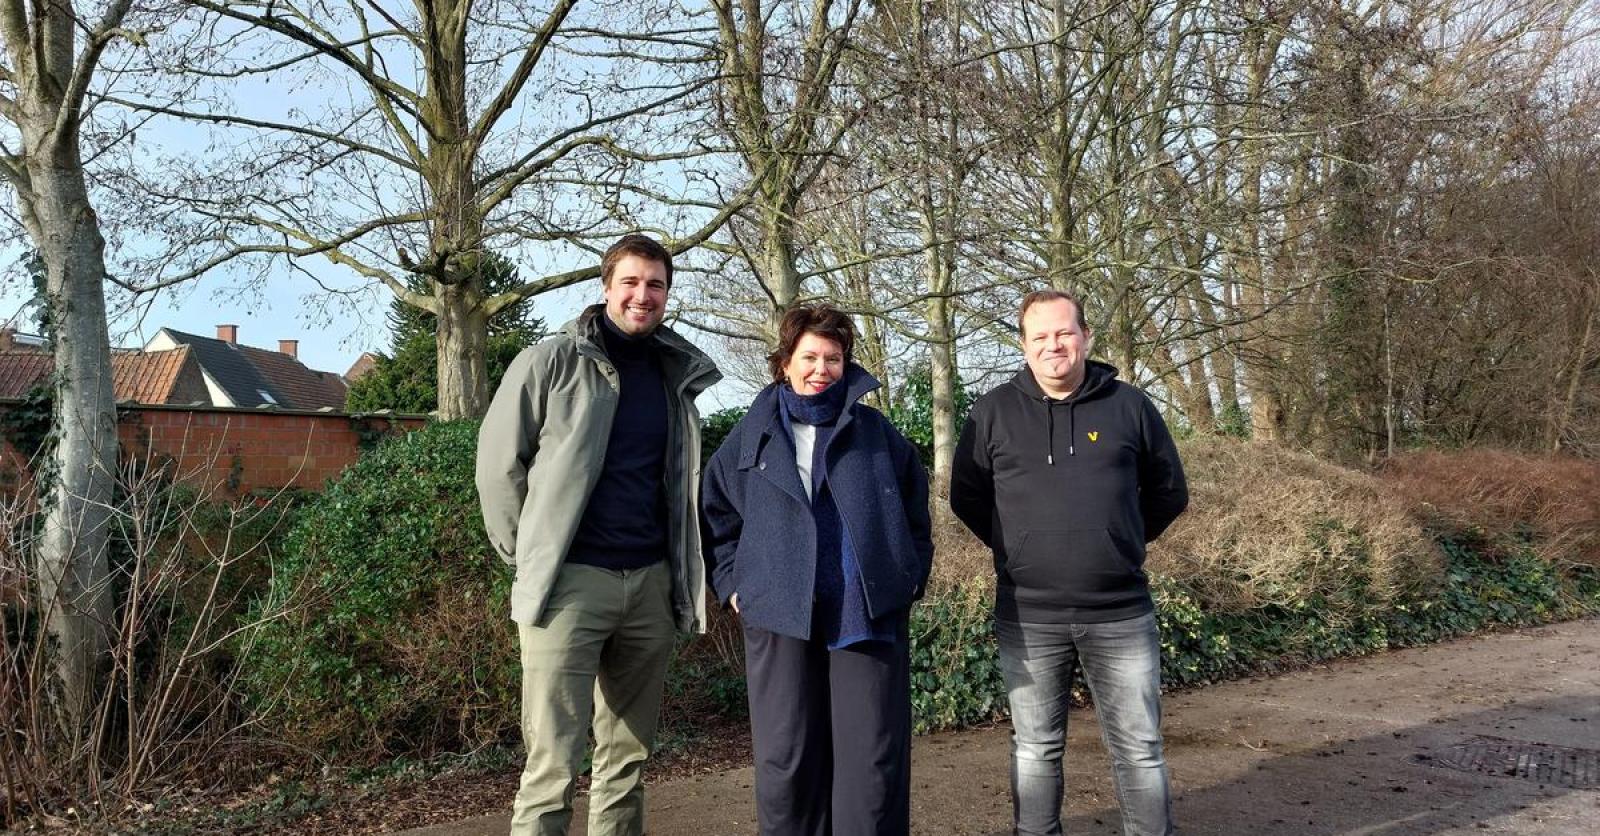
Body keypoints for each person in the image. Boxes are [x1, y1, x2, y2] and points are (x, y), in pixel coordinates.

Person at [475, 234, 721, 836]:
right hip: (570, 586)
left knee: (627, 763)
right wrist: (529, 558)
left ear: (667, 293)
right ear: (607, 287)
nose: (643, 295)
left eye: (656, 284)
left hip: (651, 588)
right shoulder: (551, 360)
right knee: (552, 765)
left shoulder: (672, 372)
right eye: (631, 282)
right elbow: (498, 466)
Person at [949, 289, 1188, 836]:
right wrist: (1021, 548)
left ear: (1085, 338)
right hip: (1029, 615)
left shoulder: (1131, 406)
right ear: (1023, 344)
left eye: (1063, 332)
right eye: (1040, 336)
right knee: (1034, 750)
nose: (1053, 345)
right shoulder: (991, 412)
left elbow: (1168, 491)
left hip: (1121, 612)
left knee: (1141, 750)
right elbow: (967, 498)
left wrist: (1118, 540)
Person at [700, 303, 933, 836]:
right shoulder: (751, 435)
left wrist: (907, 575)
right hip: (779, 616)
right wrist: (734, 583)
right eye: (809, 357)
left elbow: (915, 513)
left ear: (846, 364)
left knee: (871, 762)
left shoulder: (877, 434)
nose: (820, 369)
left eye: (832, 358)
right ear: (785, 363)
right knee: (787, 761)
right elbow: (716, 513)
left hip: (865, 617)